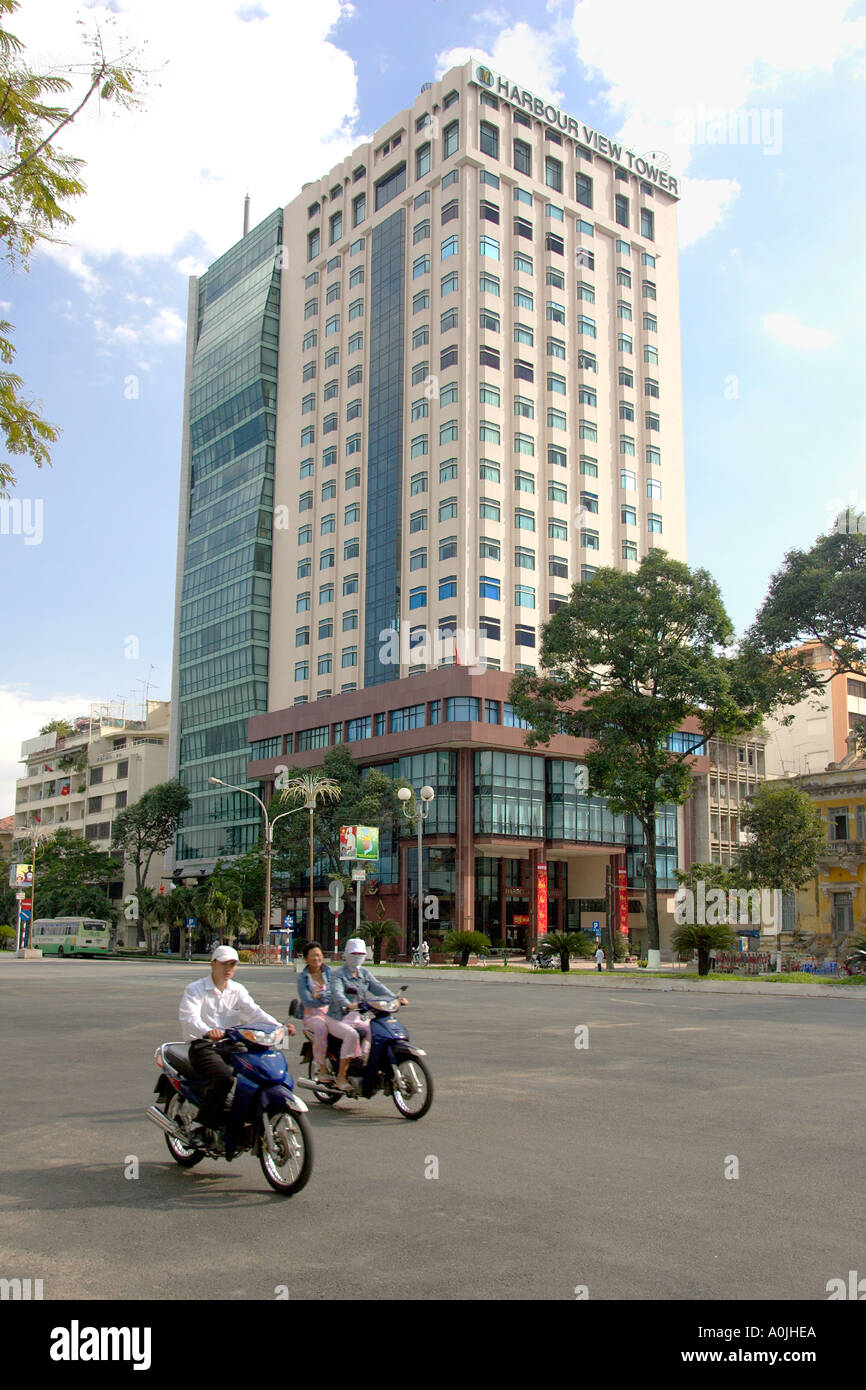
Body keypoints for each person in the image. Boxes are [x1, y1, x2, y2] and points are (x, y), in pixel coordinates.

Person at [179, 944, 294, 1147]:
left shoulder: (237, 990)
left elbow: (255, 1012)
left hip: (231, 1045)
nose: (229, 969)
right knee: (223, 1077)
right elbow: (190, 1018)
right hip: (204, 1045)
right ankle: (200, 1125)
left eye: (233, 964)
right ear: (213, 964)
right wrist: (208, 1031)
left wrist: (280, 1027)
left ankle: (241, 1117)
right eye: (224, 964)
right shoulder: (195, 989)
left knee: (256, 1071)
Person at [335, 937, 407, 1089]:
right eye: (354, 954)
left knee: (376, 1032)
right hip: (342, 1015)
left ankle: (365, 1061)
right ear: (347, 954)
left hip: (360, 1014)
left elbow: (378, 987)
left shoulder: (365, 973)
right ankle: (341, 1076)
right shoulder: (339, 974)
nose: (357, 957)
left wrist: (395, 999)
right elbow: (337, 993)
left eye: (360, 954)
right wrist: (348, 1004)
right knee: (353, 1035)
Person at [296, 940, 364, 1089]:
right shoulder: (302, 978)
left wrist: (320, 995)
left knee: (361, 1026)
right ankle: (322, 1069)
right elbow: (308, 1001)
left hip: (333, 1013)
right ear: (306, 958)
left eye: (318, 955)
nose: (316, 959)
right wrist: (327, 996)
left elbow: (337, 992)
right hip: (313, 1016)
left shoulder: (330, 972)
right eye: (312, 956)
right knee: (321, 1027)